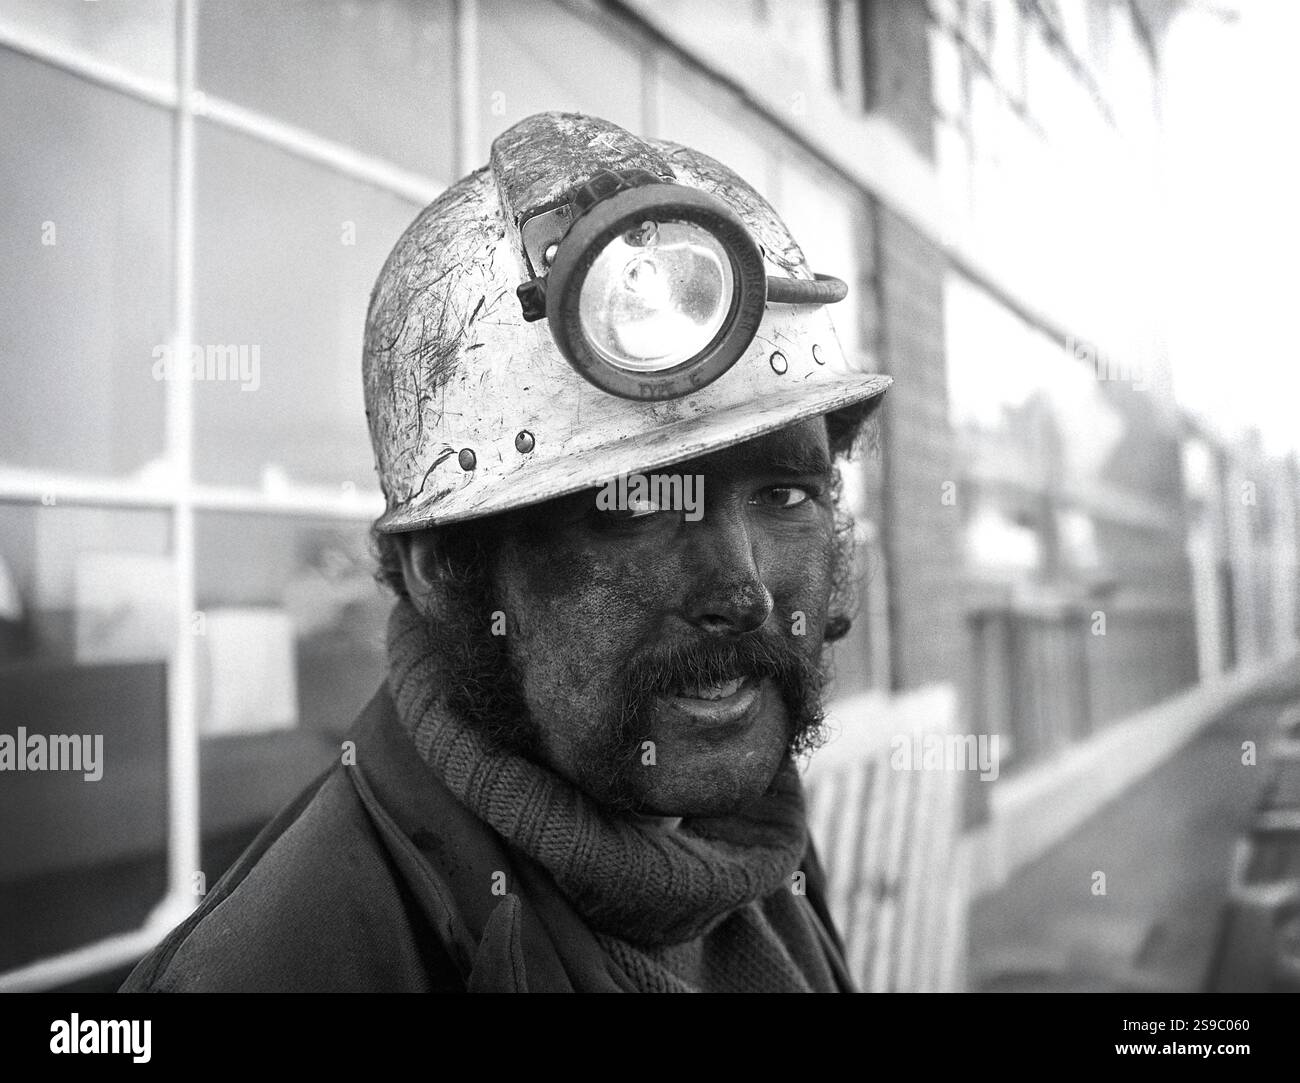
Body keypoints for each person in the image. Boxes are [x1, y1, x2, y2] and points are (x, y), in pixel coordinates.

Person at [121, 112, 890, 993]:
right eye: (634, 510)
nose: (743, 590)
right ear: (442, 570)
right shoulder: (282, 967)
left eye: (784, 495)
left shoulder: (747, 837)